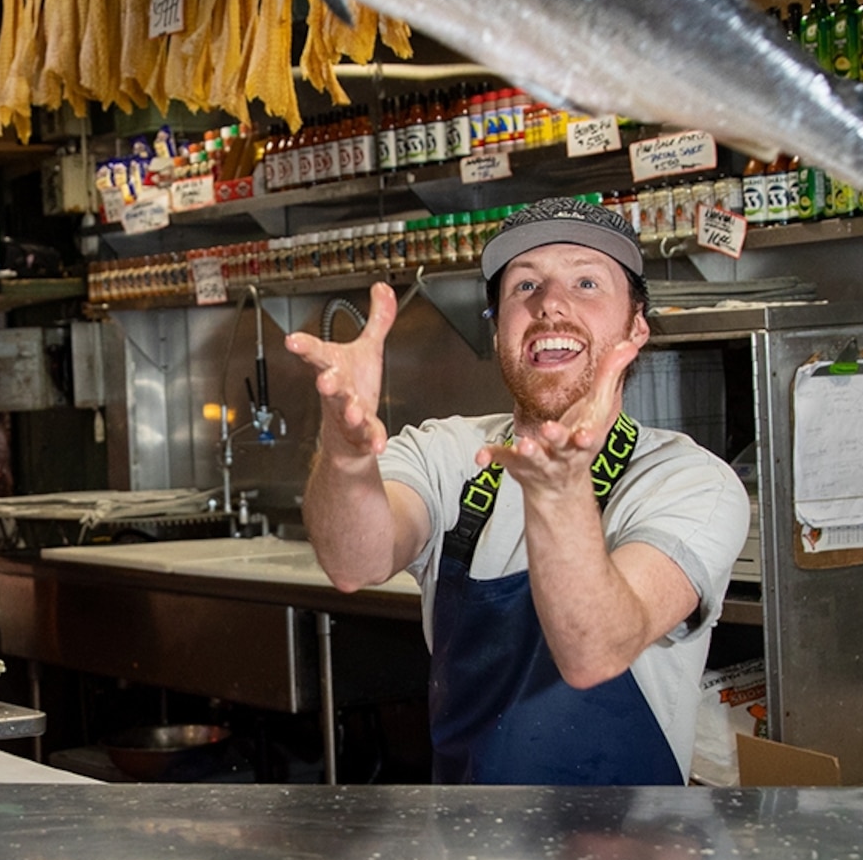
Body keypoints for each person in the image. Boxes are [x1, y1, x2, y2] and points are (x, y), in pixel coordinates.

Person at [290, 199, 749, 787]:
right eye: (524, 285)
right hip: (469, 855)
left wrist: (560, 493)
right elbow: (355, 561)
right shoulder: (450, 452)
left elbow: (597, 652)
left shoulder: (686, 480)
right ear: (499, 326)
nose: (550, 303)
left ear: (636, 325)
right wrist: (345, 453)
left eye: (586, 281)